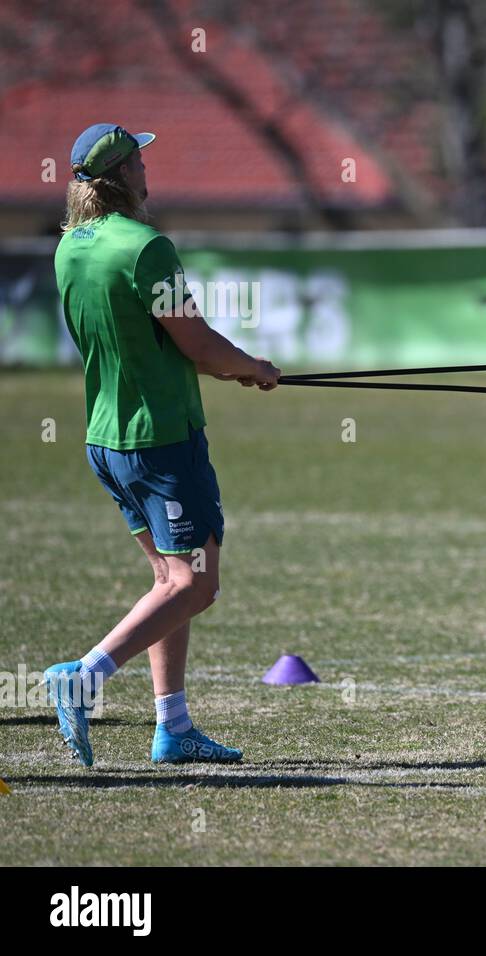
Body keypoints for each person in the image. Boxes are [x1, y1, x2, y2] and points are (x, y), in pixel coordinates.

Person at [44, 123, 281, 766]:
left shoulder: (69, 248)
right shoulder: (148, 248)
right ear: (123, 176)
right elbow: (198, 344)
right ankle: (85, 675)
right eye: (140, 162)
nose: (149, 172)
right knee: (197, 584)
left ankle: (172, 727)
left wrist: (233, 366)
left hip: (106, 438)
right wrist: (251, 366)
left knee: (167, 577)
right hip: (161, 439)